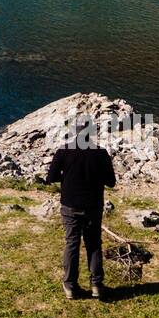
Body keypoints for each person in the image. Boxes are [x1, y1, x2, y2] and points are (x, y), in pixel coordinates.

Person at [45, 125, 117, 300]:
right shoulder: (101, 153)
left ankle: (70, 285)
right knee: (94, 244)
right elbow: (111, 182)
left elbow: (50, 178)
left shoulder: (63, 151)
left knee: (72, 243)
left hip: (70, 204)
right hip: (93, 205)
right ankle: (96, 285)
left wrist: (67, 177)